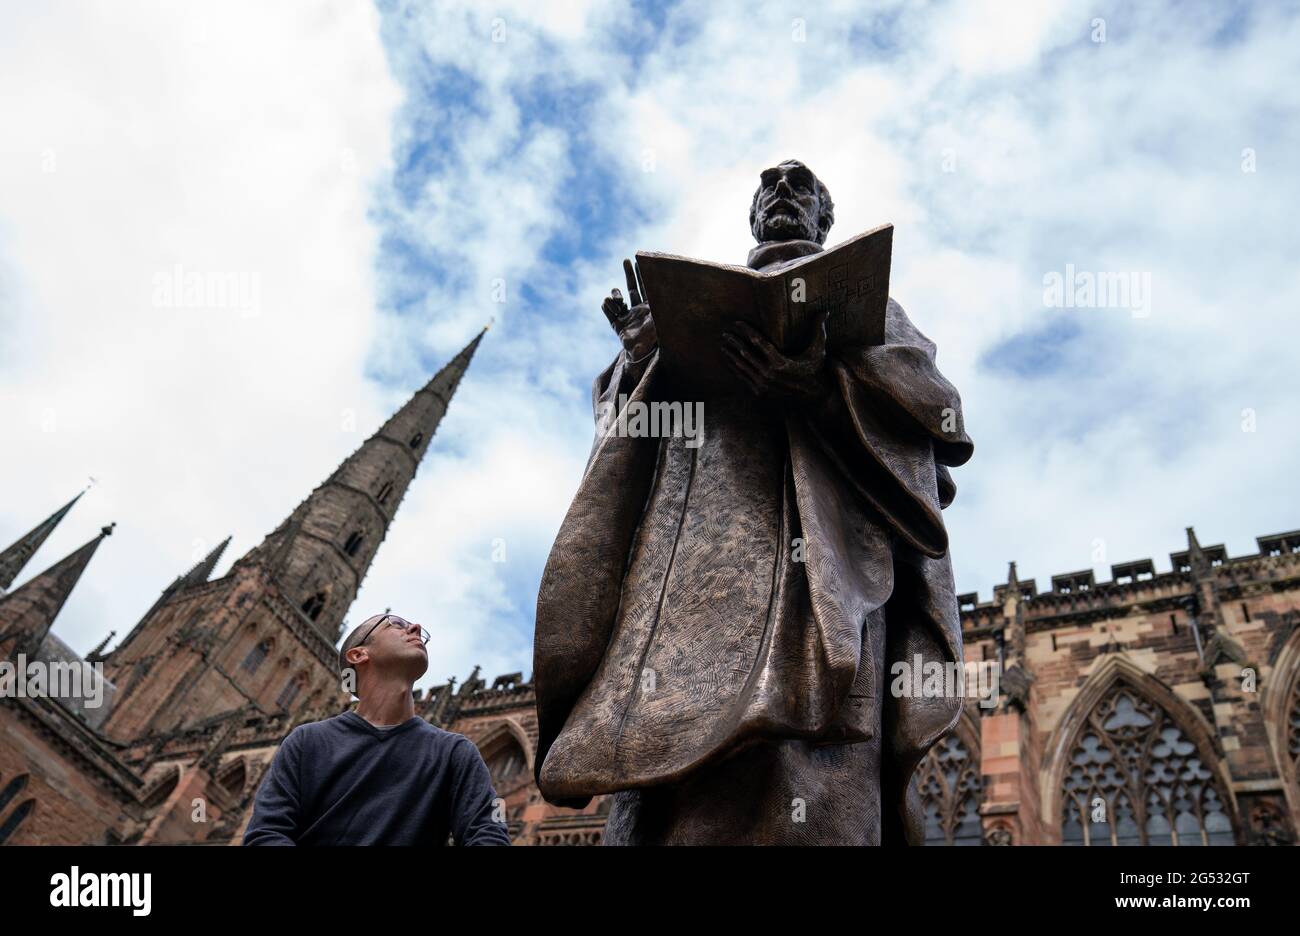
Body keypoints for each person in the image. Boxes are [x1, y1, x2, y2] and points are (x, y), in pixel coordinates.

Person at [533, 160, 974, 844]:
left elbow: (939, 420)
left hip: (821, 592)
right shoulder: (691, 314)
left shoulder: (873, 310)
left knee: (806, 793)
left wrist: (823, 392)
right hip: (682, 594)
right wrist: (640, 360)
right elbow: (625, 447)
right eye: (770, 186)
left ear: (824, 220)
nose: (783, 195)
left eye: (802, 189)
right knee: (671, 798)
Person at [243, 612, 510, 845]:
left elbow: (488, 832)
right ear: (358, 654)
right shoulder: (308, 741)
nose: (416, 628)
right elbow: (266, 833)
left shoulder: (454, 752)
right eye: (395, 624)